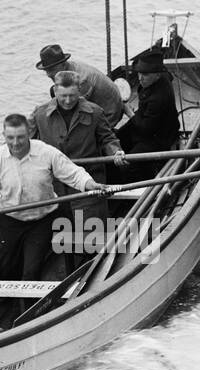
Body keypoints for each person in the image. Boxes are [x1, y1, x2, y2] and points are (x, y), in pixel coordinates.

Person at [0, 114, 105, 281]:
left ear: (29, 133)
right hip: (10, 219)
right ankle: (3, 300)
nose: (15, 143)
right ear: (4, 136)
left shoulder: (46, 152)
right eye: (10, 138)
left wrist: (91, 185)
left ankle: (29, 303)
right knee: (6, 268)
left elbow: (73, 173)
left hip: (42, 219)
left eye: (20, 137)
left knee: (31, 270)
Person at [30, 71, 130, 262]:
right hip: (56, 187)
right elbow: (26, 144)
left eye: (72, 96)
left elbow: (107, 139)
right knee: (62, 234)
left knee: (93, 236)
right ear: (55, 92)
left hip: (89, 184)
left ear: (80, 92)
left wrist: (116, 152)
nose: (68, 101)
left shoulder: (95, 112)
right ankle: (69, 264)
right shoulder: (40, 114)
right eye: (63, 96)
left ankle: (94, 265)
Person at [118, 50, 180, 179]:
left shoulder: (158, 98)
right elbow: (169, 76)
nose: (140, 78)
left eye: (145, 74)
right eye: (139, 73)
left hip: (159, 137)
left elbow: (145, 130)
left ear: (157, 75)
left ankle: (144, 180)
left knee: (131, 163)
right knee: (116, 138)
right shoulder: (163, 77)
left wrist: (128, 111)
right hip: (146, 120)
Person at [36, 44, 125, 126]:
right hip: (102, 103)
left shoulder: (81, 80)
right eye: (46, 70)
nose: (48, 75)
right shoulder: (70, 67)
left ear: (63, 65)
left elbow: (72, 111)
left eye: (52, 69)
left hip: (110, 114)